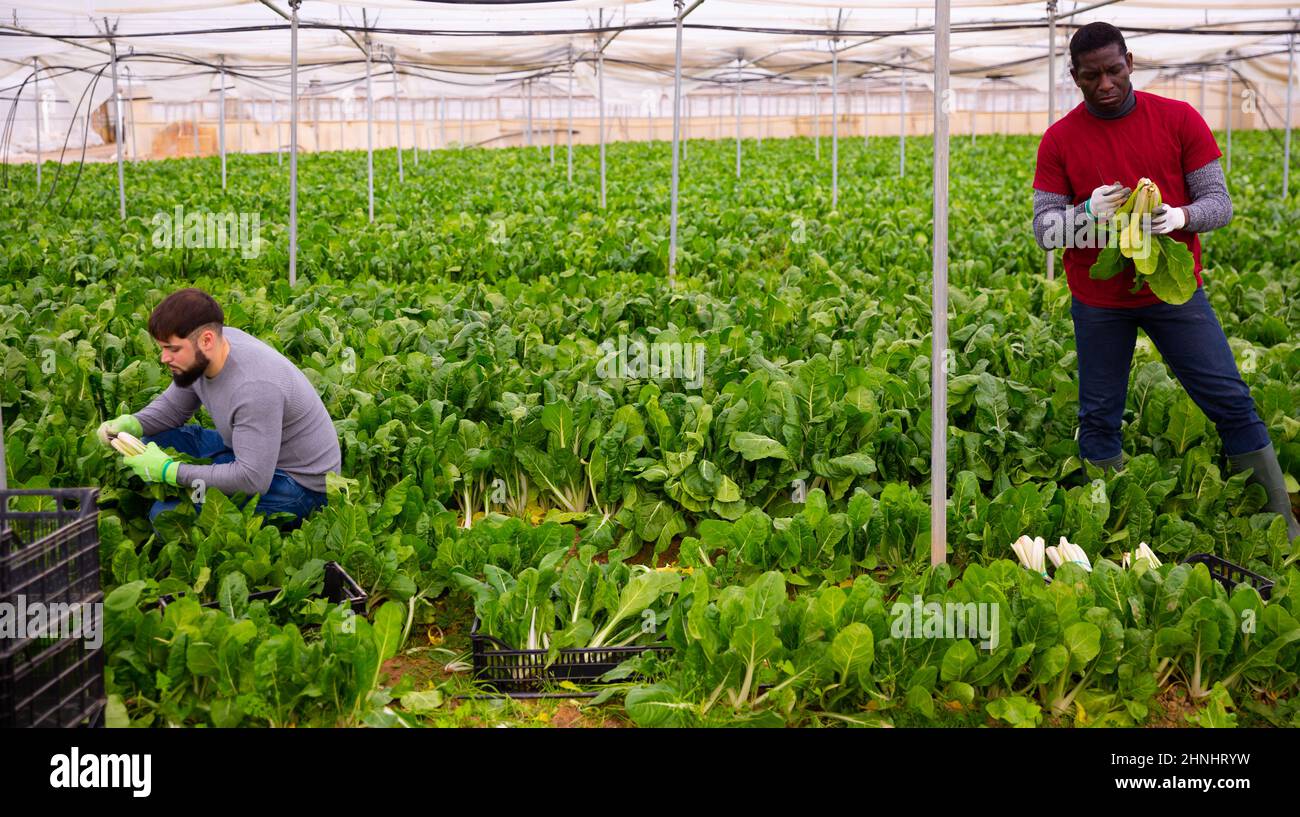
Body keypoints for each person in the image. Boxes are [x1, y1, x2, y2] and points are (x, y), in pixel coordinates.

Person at [1031, 22, 1298, 540]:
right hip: (1099, 300)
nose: (1105, 84)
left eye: (1113, 70)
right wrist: (1085, 213)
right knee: (1100, 415)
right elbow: (1044, 230)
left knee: (1229, 398)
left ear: (1130, 62)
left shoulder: (1178, 119)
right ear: (1074, 77)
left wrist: (1181, 217)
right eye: (1091, 76)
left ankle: (1281, 529)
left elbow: (1219, 204)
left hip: (1174, 292)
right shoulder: (1060, 138)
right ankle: (1112, 530)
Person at [96, 288, 341, 528]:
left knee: (165, 515)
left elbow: (251, 479)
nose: (164, 358)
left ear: (207, 340)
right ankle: (200, 478)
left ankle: (189, 490)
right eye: (162, 348)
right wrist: (132, 423)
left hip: (296, 485)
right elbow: (173, 408)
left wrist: (172, 472)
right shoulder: (212, 349)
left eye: (173, 349)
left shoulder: (254, 388)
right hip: (246, 450)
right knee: (150, 439)